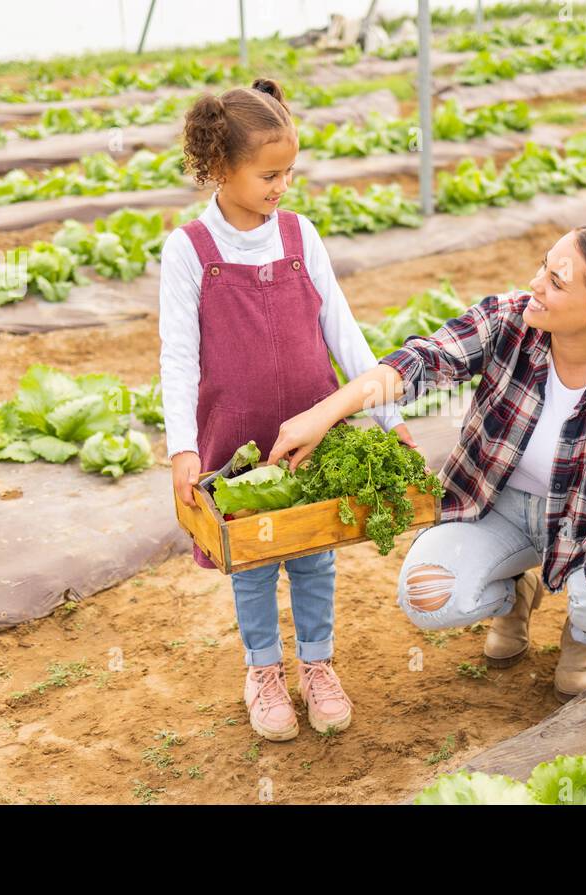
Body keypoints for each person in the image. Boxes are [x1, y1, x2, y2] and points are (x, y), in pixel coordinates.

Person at [268, 225, 586, 702]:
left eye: (556, 282)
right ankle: (514, 593)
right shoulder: (509, 321)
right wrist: (323, 415)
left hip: (581, 527)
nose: (536, 284)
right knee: (427, 596)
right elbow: (421, 362)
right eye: (544, 267)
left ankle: (583, 638)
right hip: (496, 508)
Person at [159, 78, 414, 741]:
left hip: (313, 430)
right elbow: (178, 355)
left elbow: (344, 332)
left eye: (289, 172)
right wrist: (183, 447)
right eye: (268, 174)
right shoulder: (190, 249)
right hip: (237, 443)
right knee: (250, 557)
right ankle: (263, 669)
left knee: (313, 552)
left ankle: (317, 665)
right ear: (221, 168)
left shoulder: (301, 235)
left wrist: (388, 415)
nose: (282, 186)